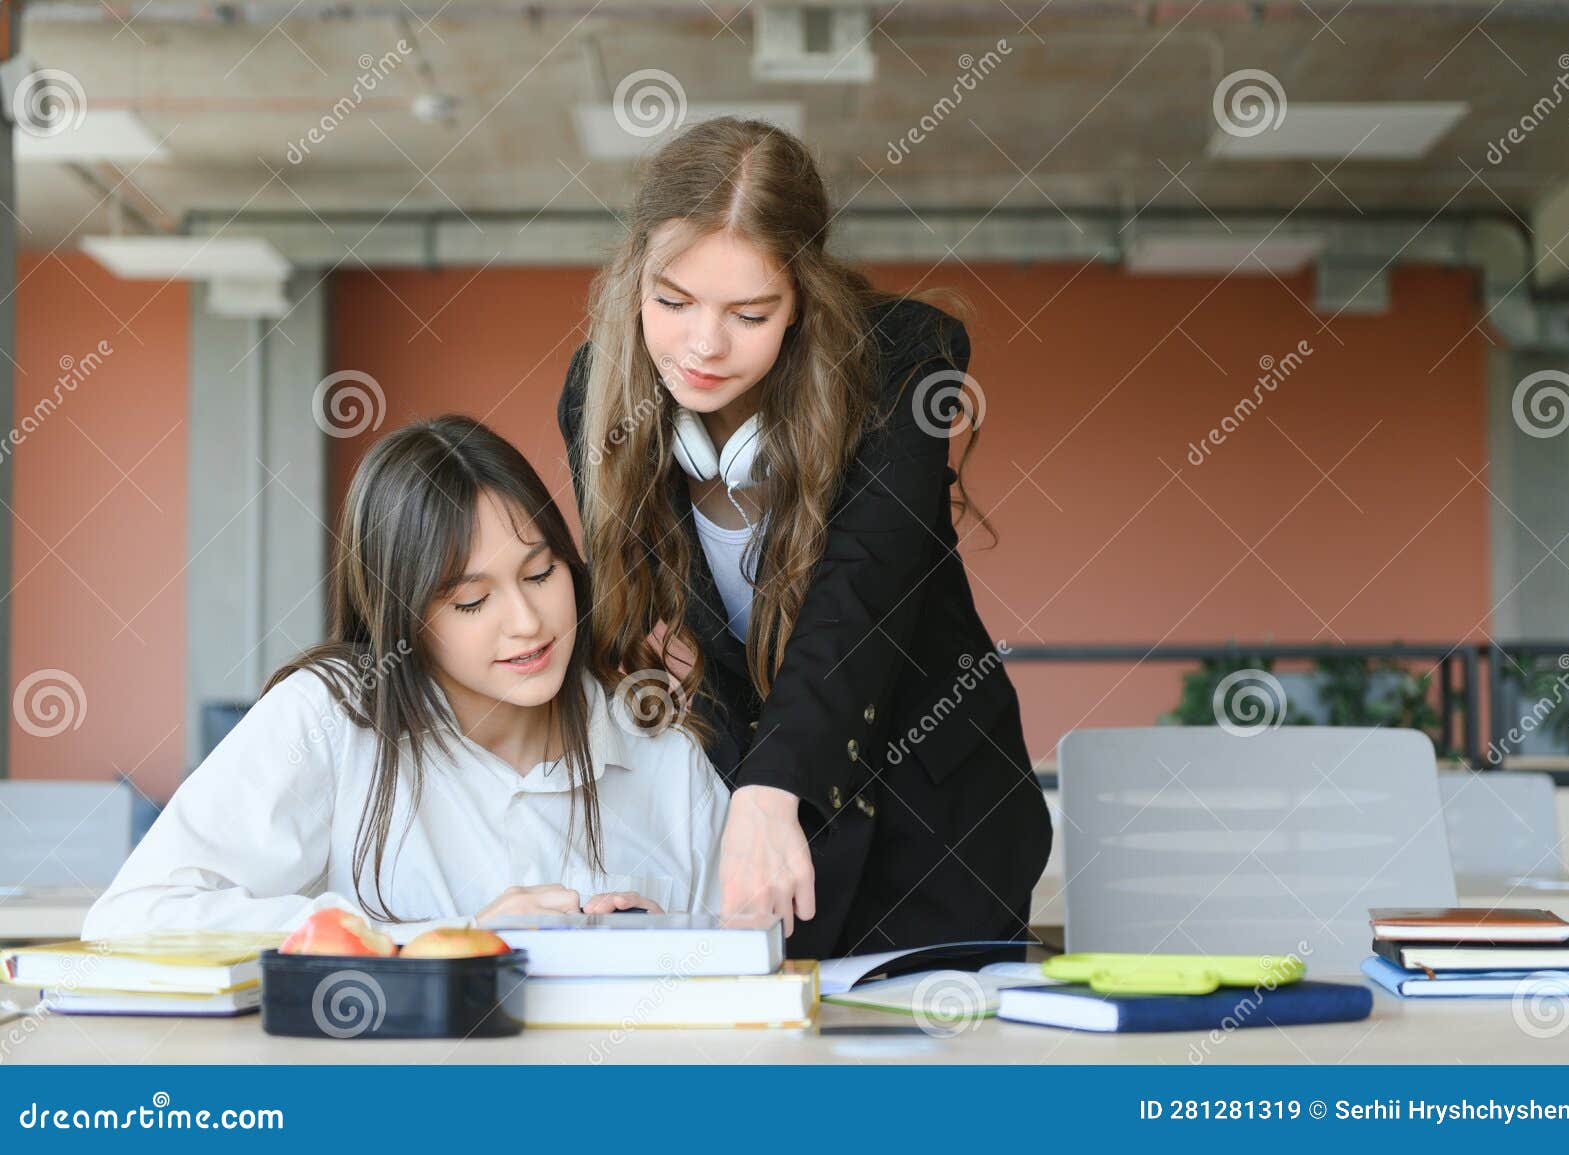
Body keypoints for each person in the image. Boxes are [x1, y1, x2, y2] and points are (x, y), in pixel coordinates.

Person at [557, 116, 1051, 958]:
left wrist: (773, 785)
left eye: (750, 313)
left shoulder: (901, 361)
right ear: (635, 275)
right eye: (671, 302)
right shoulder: (594, 393)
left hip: (935, 822)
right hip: (751, 823)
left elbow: (861, 591)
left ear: (802, 300)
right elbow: (658, 628)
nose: (703, 346)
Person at [83, 416, 727, 939]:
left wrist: (667, 950)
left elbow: (751, 968)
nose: (528, 622)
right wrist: (444, 938)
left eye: (540, 574)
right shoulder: (332, 716)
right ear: (403, 616)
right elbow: (136, 917)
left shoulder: (660, 753)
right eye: (471, 601)